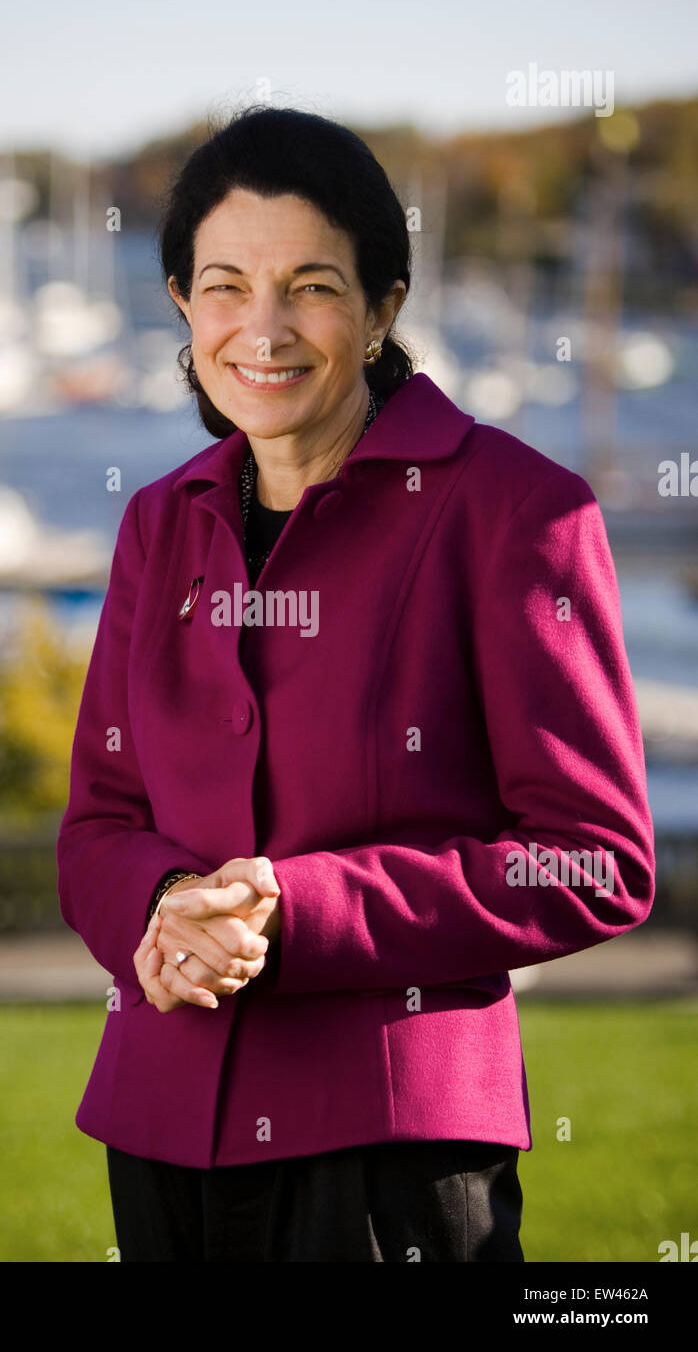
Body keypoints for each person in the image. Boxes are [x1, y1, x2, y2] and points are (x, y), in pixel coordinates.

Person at [56, 105, 655, 1263]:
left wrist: (298, 913)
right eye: (224, 284)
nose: (262, 329)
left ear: (383, 307)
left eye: (312, 286)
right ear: (182, 303)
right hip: (160, 1124)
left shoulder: (513, 511)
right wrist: (159, 906)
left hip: (390, 1154)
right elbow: (98, 822)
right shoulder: (156, 522)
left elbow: (594, 860)